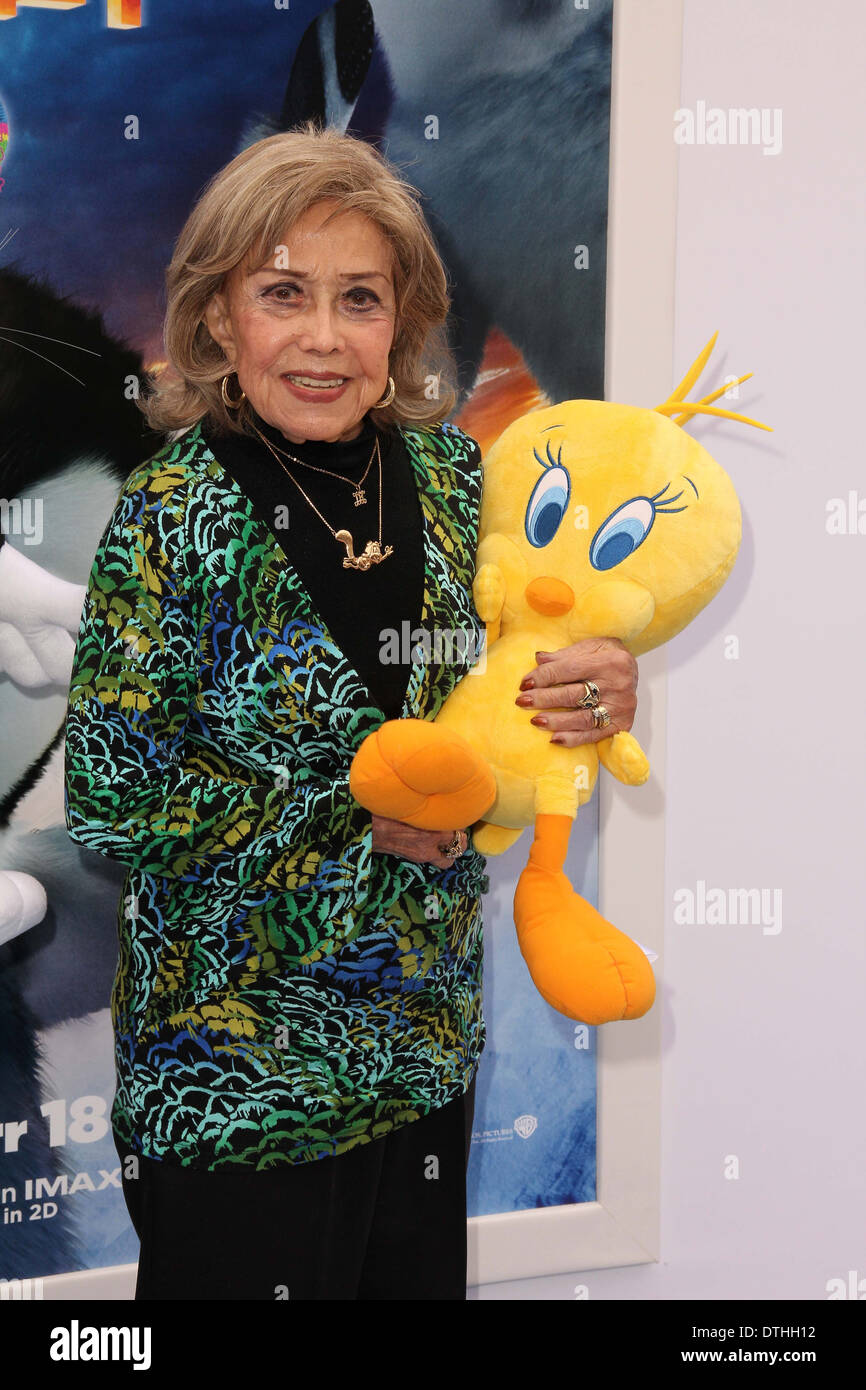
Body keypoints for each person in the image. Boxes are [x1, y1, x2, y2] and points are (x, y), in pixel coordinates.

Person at [63, 122, 638, 1301]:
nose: (323, 336)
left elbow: (509, 689)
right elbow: (114, 806)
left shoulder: (453, 480)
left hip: (420, 1051)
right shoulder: (168, 518)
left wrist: (584, 684)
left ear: (402, 320)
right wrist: (350, 814)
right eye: (283, 292)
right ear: (220, 317)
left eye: (358, 299)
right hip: (235, 1080)